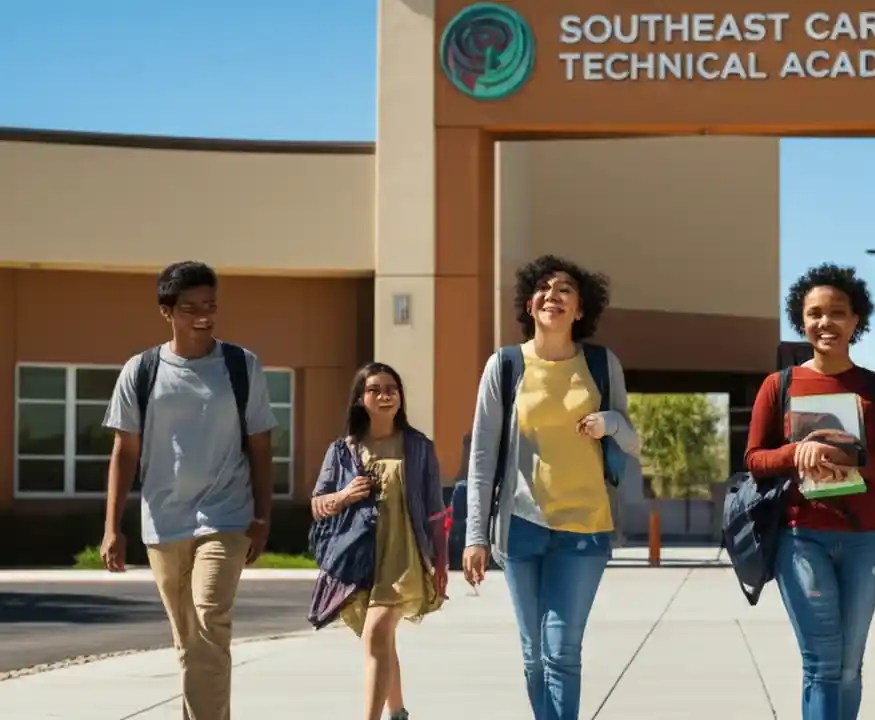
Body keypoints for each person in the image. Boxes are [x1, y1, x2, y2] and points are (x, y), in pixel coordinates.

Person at [462, 255, 641, 720]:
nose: (553, 295)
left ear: (580, 309)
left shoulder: (601, 364)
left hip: (585, 526)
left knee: (561, 649)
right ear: (529, 303)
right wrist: (475, 536)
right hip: (521, 525)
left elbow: (633, 439)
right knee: (534, 653)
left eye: (565, 289)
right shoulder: (504, 366)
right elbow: (483, 457)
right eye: (544, 287)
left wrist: (610, 423)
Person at [99, 261, 277, 720]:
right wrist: (111, 528)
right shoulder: (142, 371)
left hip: (226, 517)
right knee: (190, 642)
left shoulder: (241, 366)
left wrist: (262, 516)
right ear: (166, 311)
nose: (204, 315)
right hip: (164, 522)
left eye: (211, 305)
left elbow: (260, 446)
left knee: (208, 622)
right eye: (191, 307)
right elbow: (124, 451)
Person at [745, 263, 875, 720]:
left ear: (856, 320)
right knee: (822, 664)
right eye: (815, 313)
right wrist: (793, 453)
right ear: (801, 321)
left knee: (847, 667)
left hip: (868, 539)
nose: (826, 323)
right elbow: (754, 460)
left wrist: (859, 456)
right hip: (801, 537)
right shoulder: (778, 385)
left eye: (838, 312)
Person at [308, 362, 449, 720]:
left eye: (392, 389)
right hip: (361, 559)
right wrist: (344, 495)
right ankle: (398, 713)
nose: (385, 395)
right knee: (381, 641)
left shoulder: (418, 447)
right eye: (375, 389)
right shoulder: (342, 450)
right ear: (360, 399)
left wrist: (442, 563)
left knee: (375, 634)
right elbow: (318, 505)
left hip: (405, 558)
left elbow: (435, 512)